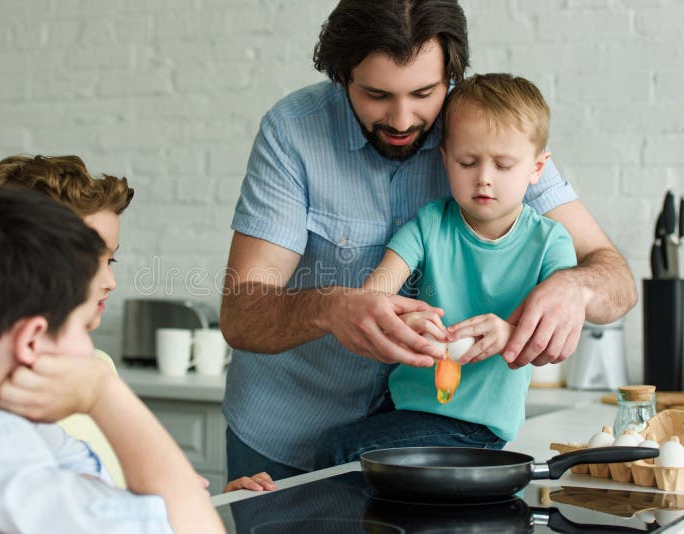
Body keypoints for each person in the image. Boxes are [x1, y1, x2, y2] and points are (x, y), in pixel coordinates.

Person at [220, 0, 636, 481]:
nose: (401, 119)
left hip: (433, 434)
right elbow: (242, 313)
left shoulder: (490, 135)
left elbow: (615, 282)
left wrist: (575, 287)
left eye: (423, 93)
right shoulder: (293, 132)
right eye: (376, 95)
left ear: (451, 76)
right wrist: (332, 307)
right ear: (342, 77)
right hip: (285, 437)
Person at [0, 188, 224, 533]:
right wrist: (102, 390)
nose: (86, 347)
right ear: (31, 340)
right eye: (80, 326)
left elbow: (75, 462)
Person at [313, 73, 578, 467]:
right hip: (405, 404)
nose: (484, 178)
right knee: (343, 455)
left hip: (475, 423)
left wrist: (508, 334)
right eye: (467, 162)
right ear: (445, 159)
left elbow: (556, 338)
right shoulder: (430, 224)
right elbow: (374, 295)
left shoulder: (551, 242)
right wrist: (400, 320)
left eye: (504, 165)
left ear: (537, 168)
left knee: (341, 452)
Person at [0, 154, 133, 488]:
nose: (111, 281)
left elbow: (120, 489)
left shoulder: (99, 366)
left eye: (112, 259)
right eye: (94, 261)